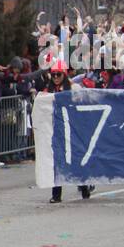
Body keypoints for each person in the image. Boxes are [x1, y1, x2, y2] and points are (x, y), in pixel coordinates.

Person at [41, 67, 93, 203]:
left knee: (75, 159)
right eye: (53, 75)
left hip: (72, 129)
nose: (56, 77)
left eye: (58, 74)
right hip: (56, 131)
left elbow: (82, 104)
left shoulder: (73, 88)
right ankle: (56, 194)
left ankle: (83, 186)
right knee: (57, 161)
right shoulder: (48, 90)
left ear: (63, 75)